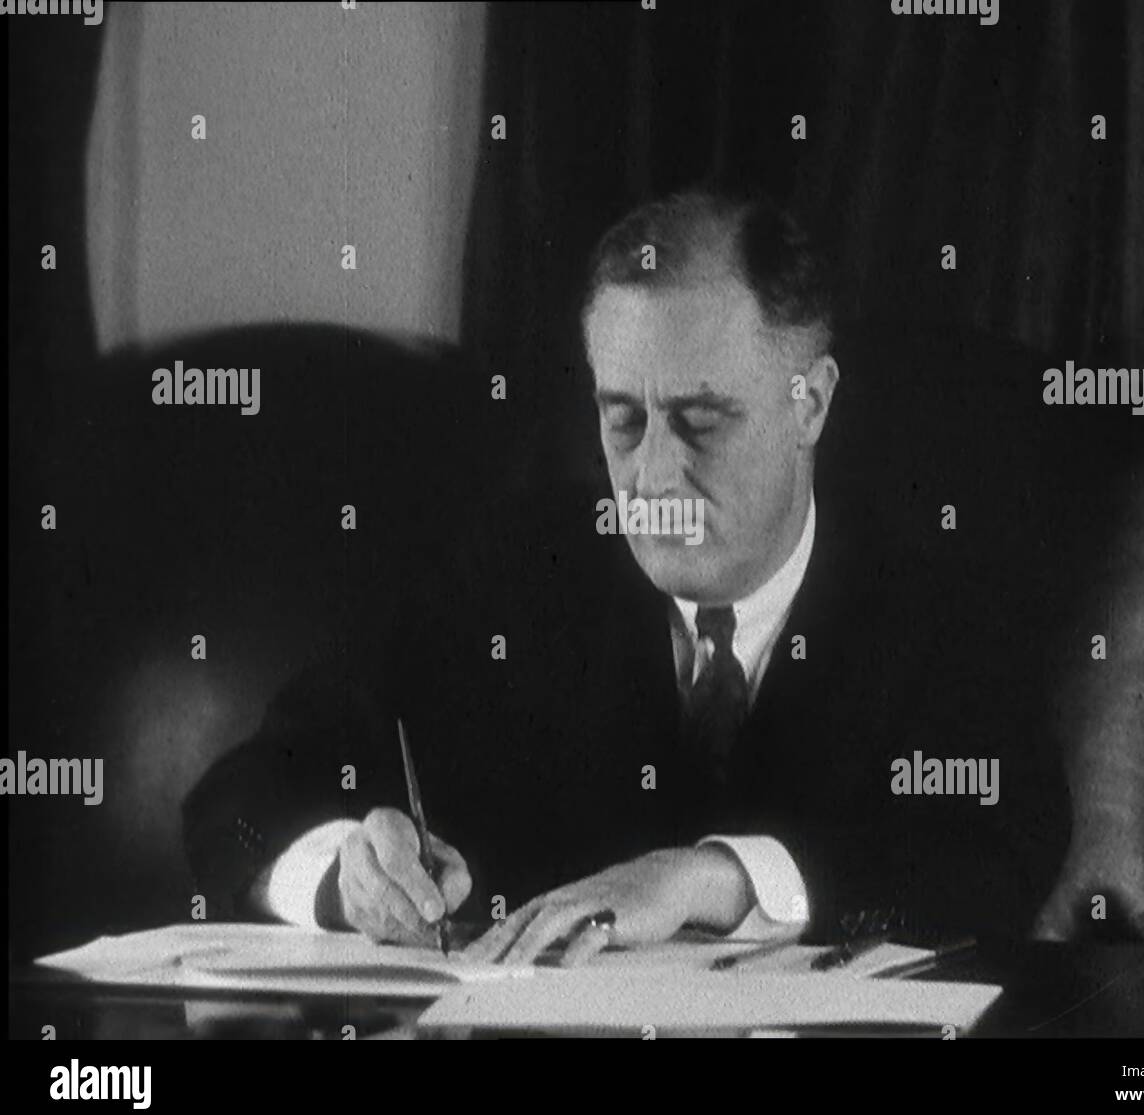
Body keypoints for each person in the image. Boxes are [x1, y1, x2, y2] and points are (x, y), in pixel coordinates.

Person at [183, 189, 1070, 964]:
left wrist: (713, 877)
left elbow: (996, 855)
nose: (651, 476)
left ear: (813, 403)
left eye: (700, 421)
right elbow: (244, 797)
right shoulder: (513, 575)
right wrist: (342, 870)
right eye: (623, 420)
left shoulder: (940, 605)